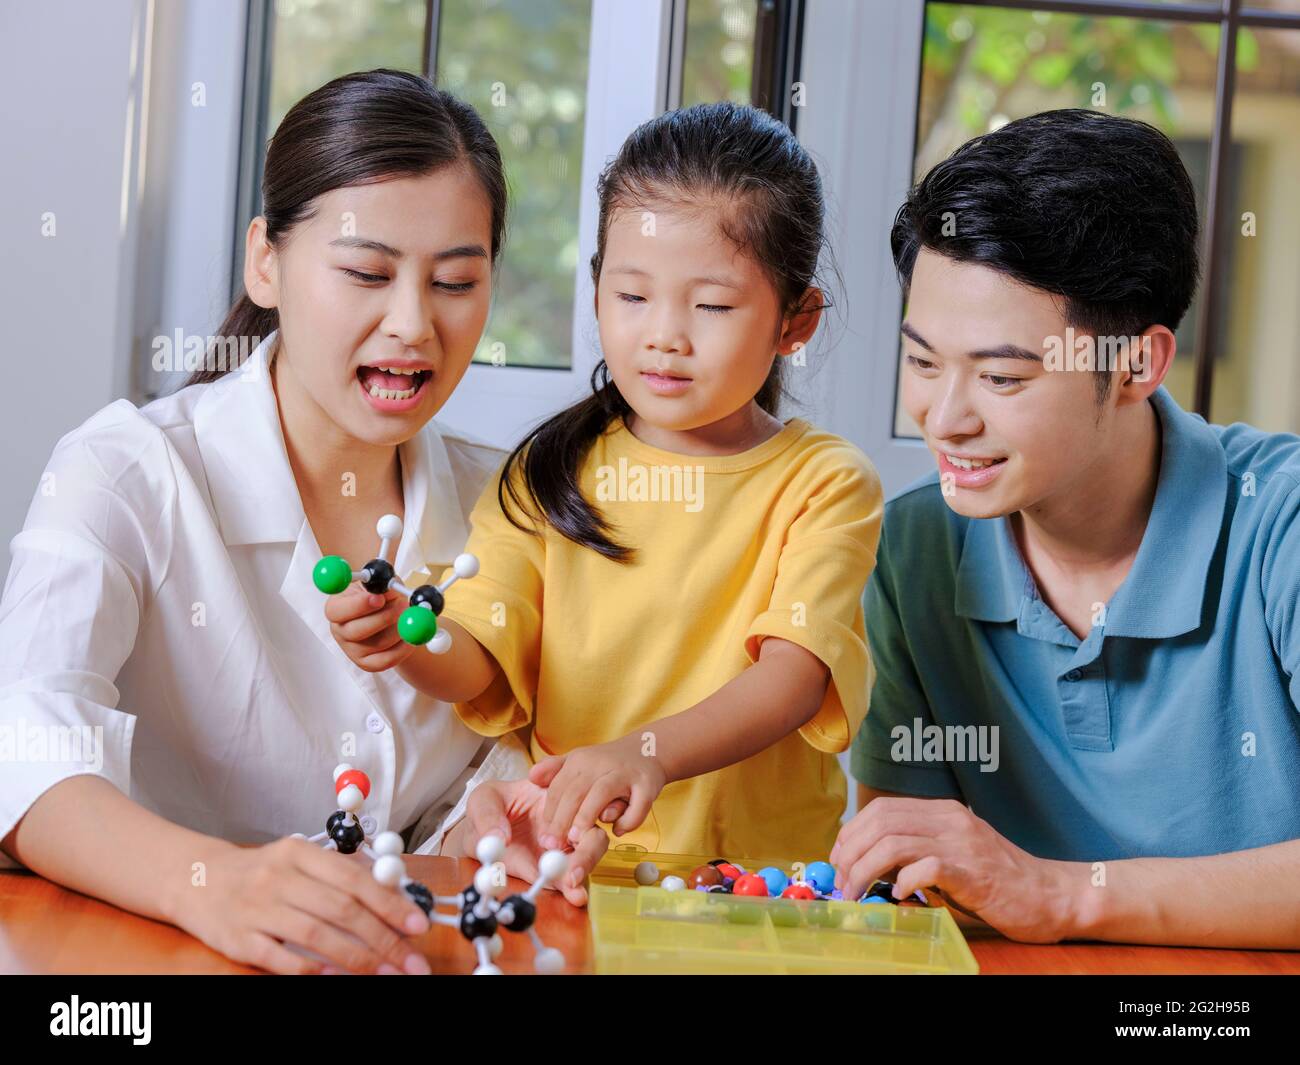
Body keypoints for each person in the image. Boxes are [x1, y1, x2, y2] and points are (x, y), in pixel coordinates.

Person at [0, 70, 603, 978]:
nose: (414, 324)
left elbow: (488, 775)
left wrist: (509, 818)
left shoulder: (506, 508)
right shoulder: (126, 471)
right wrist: (213, 883)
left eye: (455, 281)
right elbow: (22, 745)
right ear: (266, 262)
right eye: (366, 272)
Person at [327, 102, 883, 860]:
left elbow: (791, 676)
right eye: (631, 295)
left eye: (713, 304)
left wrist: (646, 750)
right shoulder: (549, 470)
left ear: (796, 320)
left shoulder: (825, 483)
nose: (664, 334)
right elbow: (481, 654)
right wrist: (405, 637)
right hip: (564, 860)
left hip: (750, 884)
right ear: (595, 291)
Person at [836, 109, 1300, 949]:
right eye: (922, 360)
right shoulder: (911, 553)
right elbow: (910, 872)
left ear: (1136, 363)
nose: (944, 418)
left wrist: (1060, 894)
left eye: (1003, 376)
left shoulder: (1282, 525)